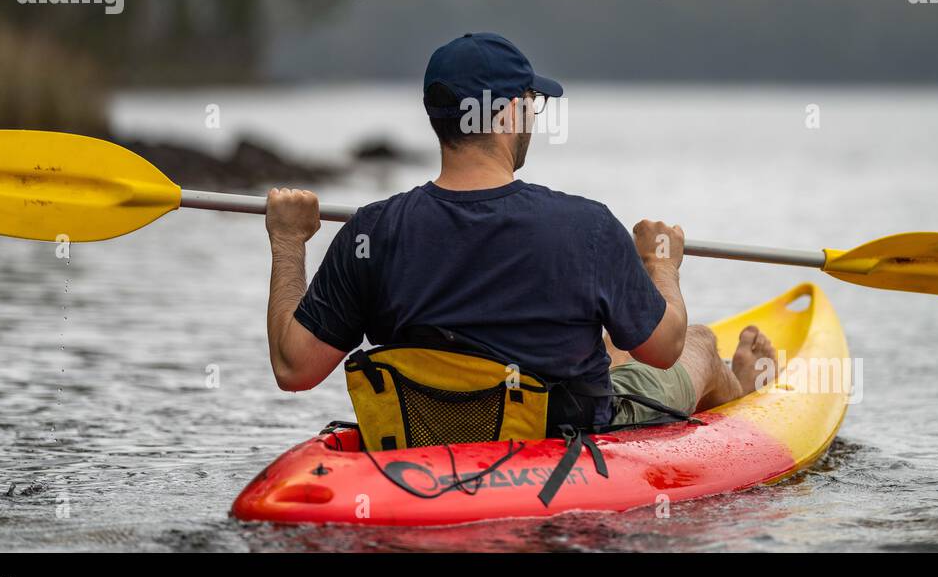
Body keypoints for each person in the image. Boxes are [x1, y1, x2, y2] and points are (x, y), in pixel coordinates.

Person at [263, 32, 776, 432]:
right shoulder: (588, 227)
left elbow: (294, 369)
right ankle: (746, 404)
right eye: (533, 103)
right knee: (701, 344)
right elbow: (665, 348)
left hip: (427, 432)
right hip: (563, 438)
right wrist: (661, 267)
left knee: (608, 343)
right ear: (509, 111)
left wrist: (288, 242)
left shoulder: (370, 231)